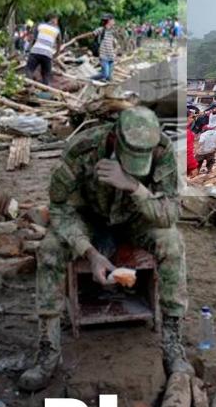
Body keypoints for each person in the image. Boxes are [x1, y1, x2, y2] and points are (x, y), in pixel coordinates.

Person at [18, 107, 189, 391]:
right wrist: (90, 253)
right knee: (49, 250)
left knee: (172, 242)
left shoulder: (161, 149)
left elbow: (170, 214)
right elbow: (60, 210)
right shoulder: (82, 149)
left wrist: (134, 187)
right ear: (114, 139)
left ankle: (173, 343)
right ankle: (48, 350)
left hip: (135, 216)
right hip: (88, 218)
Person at [25, 13, 61, 85]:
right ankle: (45, 93)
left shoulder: (40, 25)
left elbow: (33, 39)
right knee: (46, 74)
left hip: (36, 51)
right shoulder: (57, 29)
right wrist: (57, 53)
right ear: (54, 19)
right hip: (47, 54)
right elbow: (59, 42)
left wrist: (28, 50)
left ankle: (28, 86)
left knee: (29, 69)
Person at [92, 14, 117, 82]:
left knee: (109, 77)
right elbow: (91, 34)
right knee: (105, 74)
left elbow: (113, 43)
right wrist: (76, 38)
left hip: (111, 57)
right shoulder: (101, 30)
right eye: (113, 20)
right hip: (104, 56)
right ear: (109, 21)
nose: (114, 21)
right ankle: (88, 79)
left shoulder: (113, 31)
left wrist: (115, 52)